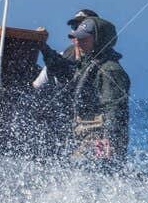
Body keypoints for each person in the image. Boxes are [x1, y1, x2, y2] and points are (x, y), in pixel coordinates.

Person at [44, 13, 130, 169]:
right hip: (83, 131)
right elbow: (65, 73)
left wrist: (109, 138)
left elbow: (115, 108)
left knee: (80, 171)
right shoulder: (87, 63)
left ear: (99, 40)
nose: (78, 41)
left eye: (84, 38)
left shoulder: (110, 70)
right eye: (77, 37)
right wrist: (43, 48)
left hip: (99, 136)